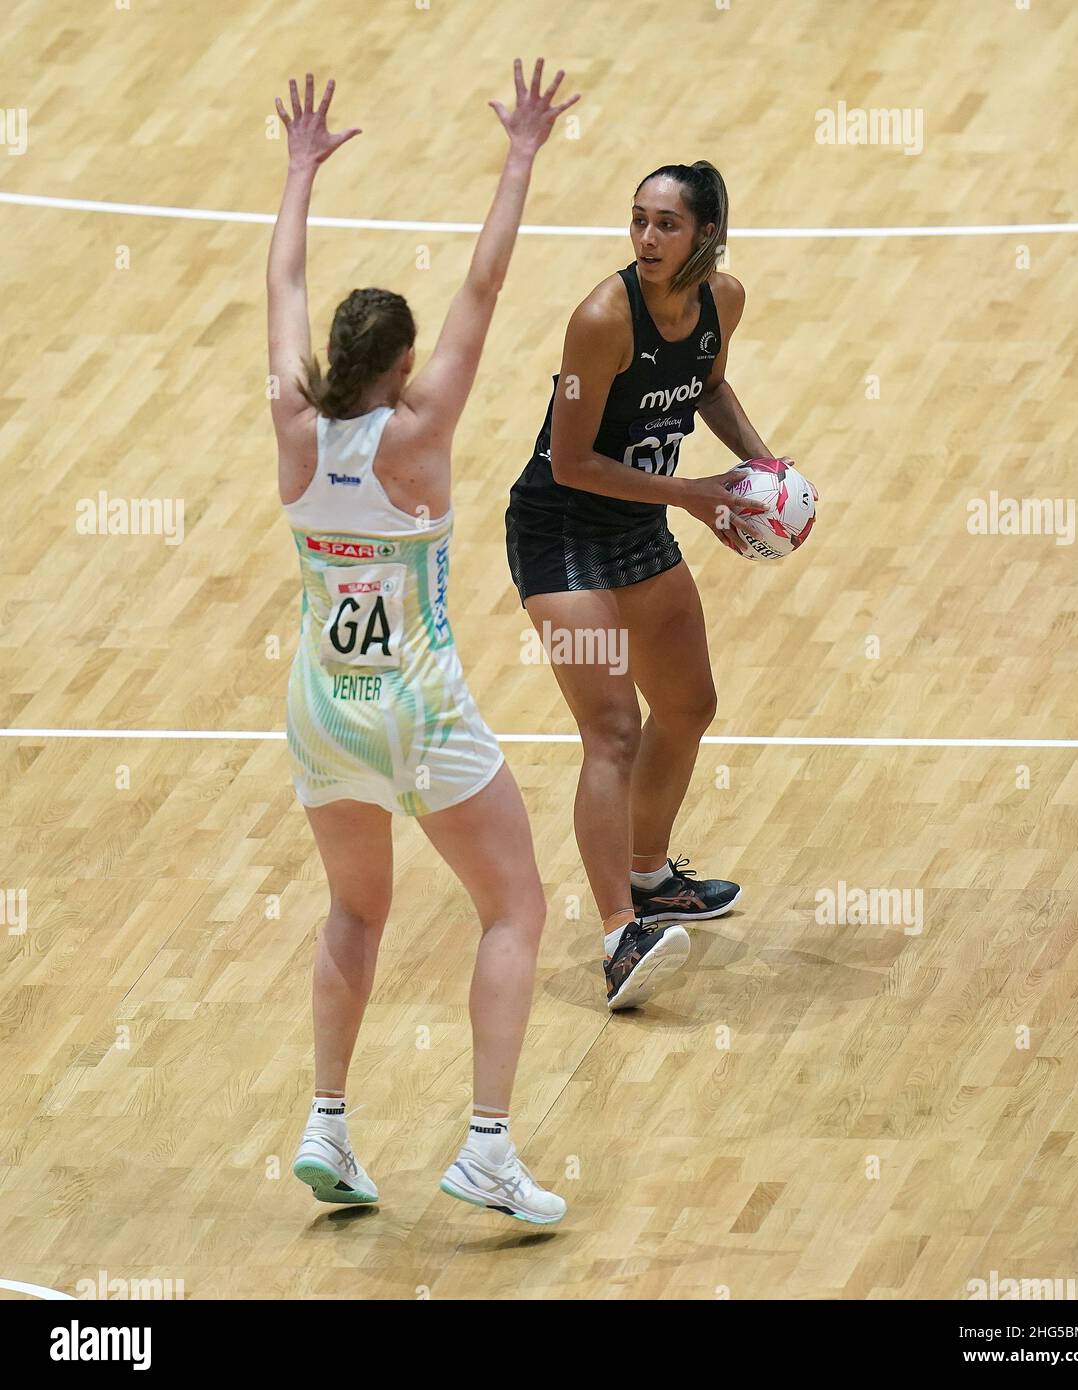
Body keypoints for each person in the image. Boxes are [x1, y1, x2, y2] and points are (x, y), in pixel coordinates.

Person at [266, 62, 578, 1222]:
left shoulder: (293, 423)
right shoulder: (424, 427)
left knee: (355, 911)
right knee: (513, 908)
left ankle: (328, 1126)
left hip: (319, 705)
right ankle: (486, 1145)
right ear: (399, 366)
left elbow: (283, 284)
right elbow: (483, 288)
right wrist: (519, 154)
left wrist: (297, 172)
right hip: (418, 707)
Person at [505, 161, 786, 1012]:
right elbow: (575, 459)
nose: (647, 238)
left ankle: (652, 875)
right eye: (638, 222)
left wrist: (762, 465)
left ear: (705, 234)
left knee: (690, 705)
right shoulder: (601, 317)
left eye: (666, 224)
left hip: (636, 524)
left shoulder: (721, 302)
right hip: (560, 535)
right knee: (614, 729)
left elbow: (707, 387)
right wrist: (695, 498)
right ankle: (620, 937)